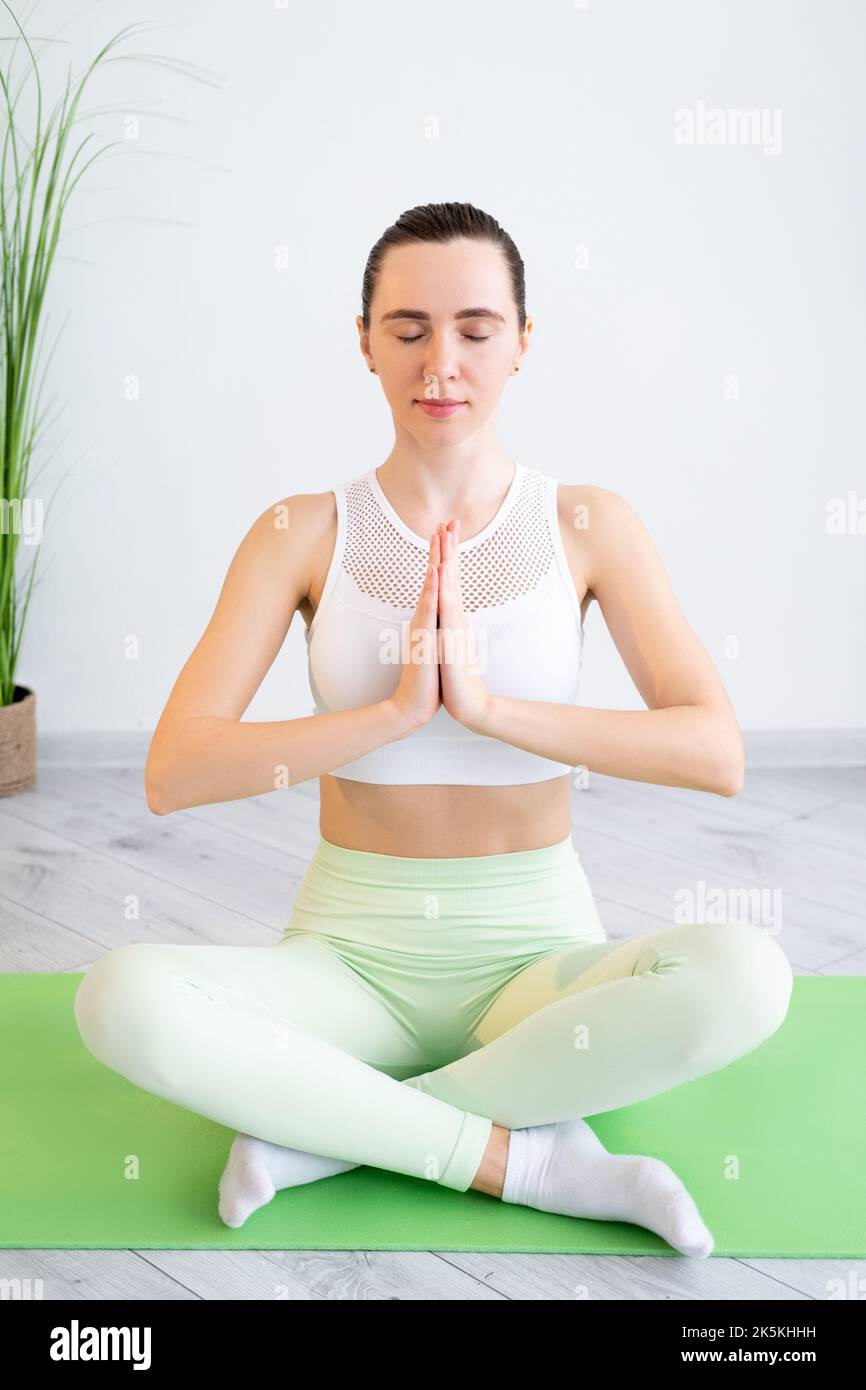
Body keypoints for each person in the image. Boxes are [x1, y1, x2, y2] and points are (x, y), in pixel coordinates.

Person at [73, 202, 793, 1257]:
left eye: (474, 328)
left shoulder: (587, 524)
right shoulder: (301, 531)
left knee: (749, 976)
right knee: (116, 998)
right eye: (406, 329)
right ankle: (526, 1158)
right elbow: (174, 771)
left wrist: (495, 712)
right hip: (348, 964)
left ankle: (322, 1133)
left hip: (538, 964)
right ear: (363, 341)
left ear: (522, 342)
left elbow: (711, 751)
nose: (440, 361)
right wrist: (387, 716)